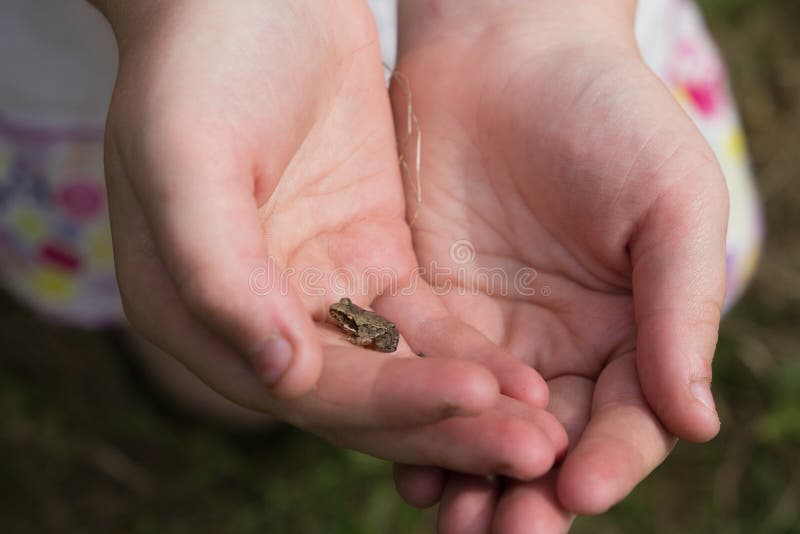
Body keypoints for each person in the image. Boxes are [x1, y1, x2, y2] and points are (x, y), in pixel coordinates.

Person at [0, 0, 762, 531]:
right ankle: (218, 384)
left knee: (249, 308)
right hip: (149, 49)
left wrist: (536, 25)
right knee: (202, 266)